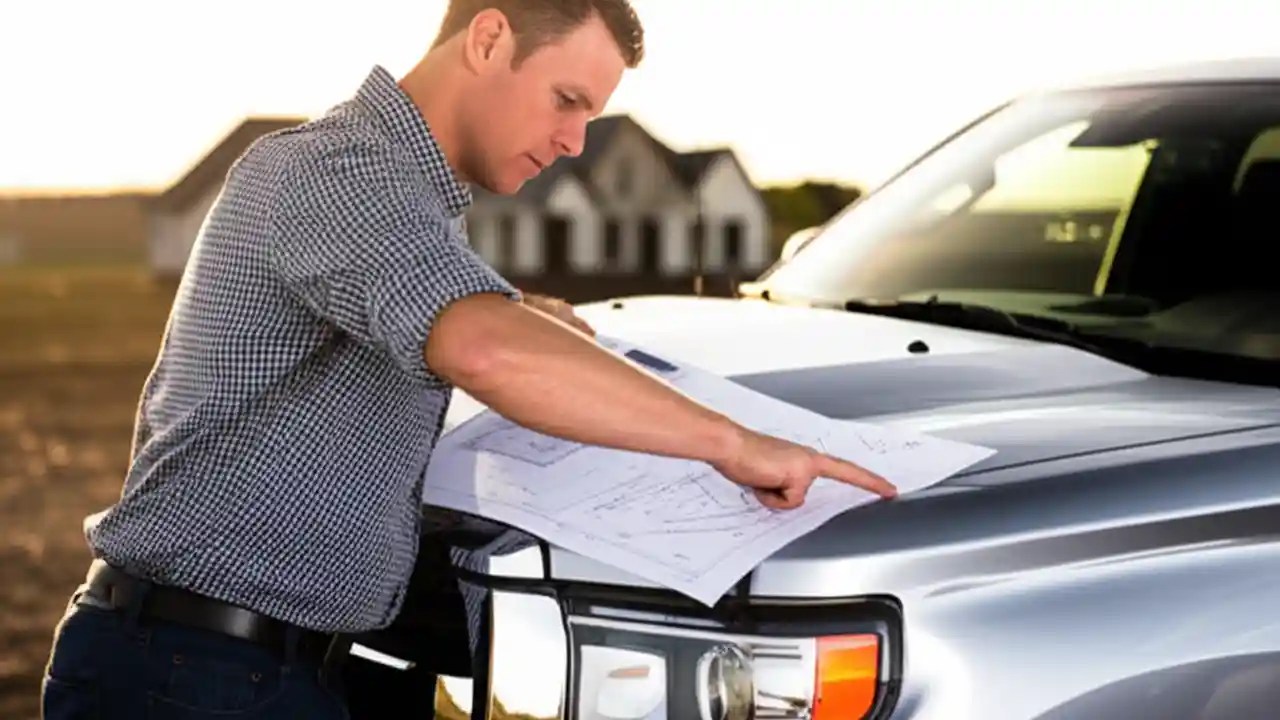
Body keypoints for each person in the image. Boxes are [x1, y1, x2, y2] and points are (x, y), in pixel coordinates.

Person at [41, 0, 897, 717]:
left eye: (589, 116)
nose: (574, 142)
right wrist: (737, 444)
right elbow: (483, 348)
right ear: (487, 40)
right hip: (187, 677)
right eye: (566, 100)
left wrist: (518, 309)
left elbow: (454, 311)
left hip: (270, 671)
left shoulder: (412, 206)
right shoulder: (331, 169)